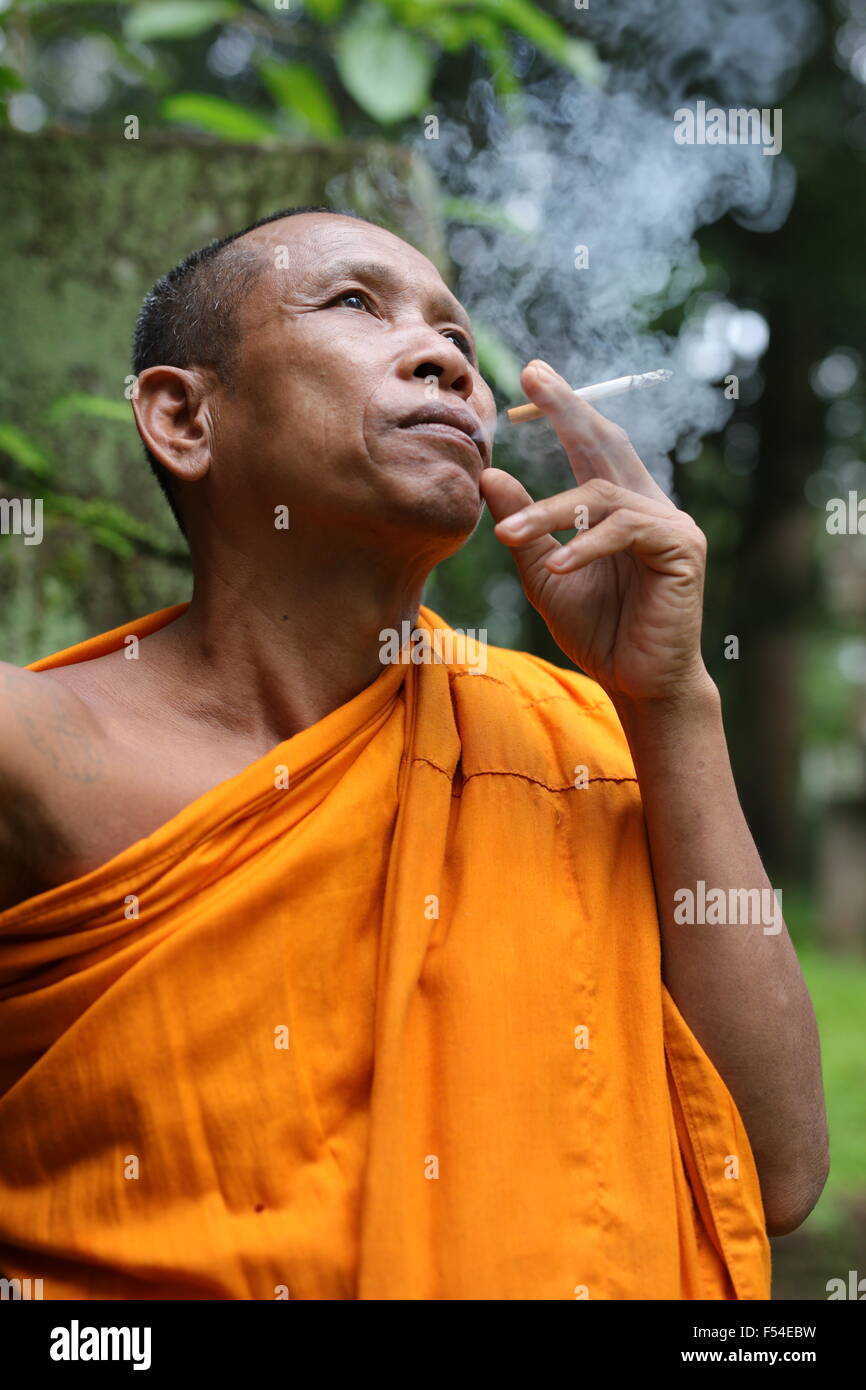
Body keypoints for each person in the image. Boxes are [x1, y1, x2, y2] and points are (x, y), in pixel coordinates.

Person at [0, 205, 828, 1301]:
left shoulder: (572, 740)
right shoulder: (39, 748)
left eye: (458, 342)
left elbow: (770, 1171)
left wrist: (672, 701)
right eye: (355, 303)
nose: (447, 357)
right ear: (183, 417)